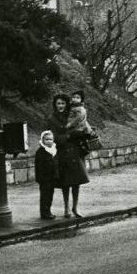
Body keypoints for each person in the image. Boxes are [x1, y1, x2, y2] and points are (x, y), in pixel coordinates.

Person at [55, 90, 98, 219]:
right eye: (59, 104)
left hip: (76, 150)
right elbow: (56, 134)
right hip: (65, 150)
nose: (61, 106)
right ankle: (66, 208)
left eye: (63, 103)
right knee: (65, 181)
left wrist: (89, 132)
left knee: (77, 180)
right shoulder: (60, 115)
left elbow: (83, 122)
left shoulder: (77, 111)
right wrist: (70, 135)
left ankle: (75, 207)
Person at [34, 130, 59, 220]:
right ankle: (45, 213)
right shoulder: (41, 152)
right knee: (45, 196)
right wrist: (40, 178)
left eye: (51, 139)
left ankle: (48, 211)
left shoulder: (53, 150)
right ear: (43, 140)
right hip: (44, 178)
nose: (49, 141)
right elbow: (39, 166)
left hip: (52, 177)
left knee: (50, 195)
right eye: (46, 139)